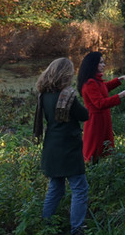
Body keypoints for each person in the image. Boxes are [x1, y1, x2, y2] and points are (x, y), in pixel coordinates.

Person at [34, 57, 89, 235]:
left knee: (55, 187)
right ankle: (77, 228)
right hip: (69, 147)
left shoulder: (43, 94)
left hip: (51, 145)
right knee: (79, 188)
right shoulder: (68, 95)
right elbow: (84, 115)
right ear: (66, 74)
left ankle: (47, 225)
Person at [76, 51, 125, 163]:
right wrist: (121, 95)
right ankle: (93, 170)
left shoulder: (96, 80)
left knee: (103, 147)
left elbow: (104, 88)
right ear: (93, 65)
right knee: (95, 148)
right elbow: (100, 103)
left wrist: (120, 79)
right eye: (101, 63)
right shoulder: (90, 83)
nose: (104, 65)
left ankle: (101, 167)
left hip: (102, 119)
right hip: (96, 121)